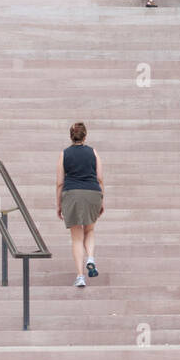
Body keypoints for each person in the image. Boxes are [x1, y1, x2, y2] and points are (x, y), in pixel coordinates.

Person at [55, 122, 104, 289]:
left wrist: (59, 204)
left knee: (76, 238)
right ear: (85, 136)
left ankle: (80, 276)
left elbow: (59, 183)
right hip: (92, 194)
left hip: (72, 194)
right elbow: (100, 178)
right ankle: (90, 257)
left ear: (71, 136)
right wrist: (101, 200)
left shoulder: (64, 154)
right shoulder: (93, 152)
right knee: (89, 230)